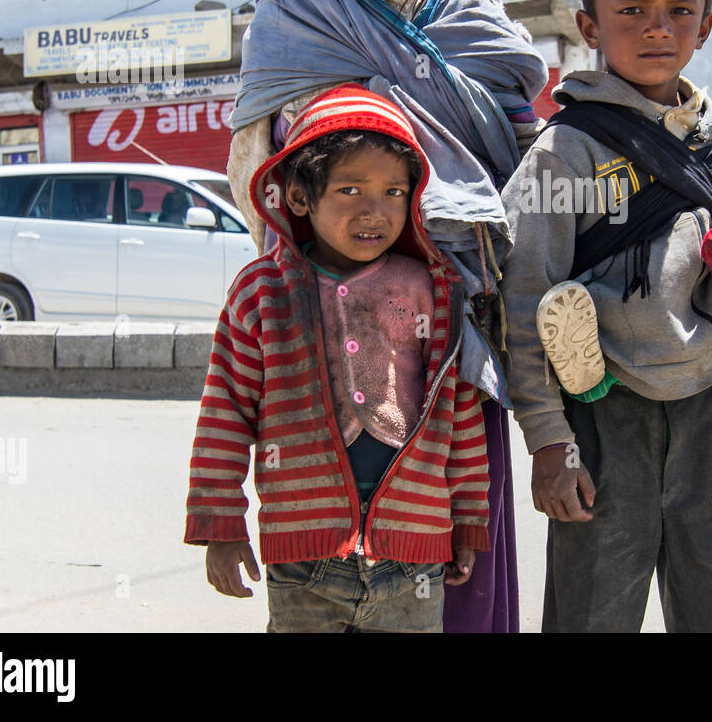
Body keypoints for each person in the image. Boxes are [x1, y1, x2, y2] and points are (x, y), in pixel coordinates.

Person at [227, 0, 544, 632]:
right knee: (332, 556)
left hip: (453, 328)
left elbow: (523, 162)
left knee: (455, 548)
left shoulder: (467, 17)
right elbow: (257, 171)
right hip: (325, 332)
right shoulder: (288, 15)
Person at [500, 0, 712, 632]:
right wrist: (549, 444)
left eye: (678, 12)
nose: (658, 28)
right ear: (590, 25)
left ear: (706, 27)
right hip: (601, 413)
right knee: (593, 614)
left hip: (706, 407)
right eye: (632, 11)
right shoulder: (565, 152)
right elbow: (526, 302)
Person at [185, 86, 489, 632]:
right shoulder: (263, 293)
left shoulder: (430, 291)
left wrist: (467, 518)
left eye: (395, 191)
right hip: (302, 557)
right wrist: (221, 523)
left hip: (415, 551)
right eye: (351, 189)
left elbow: (457, 410)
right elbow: (224, 412)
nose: (376, 210)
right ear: (300, 198)